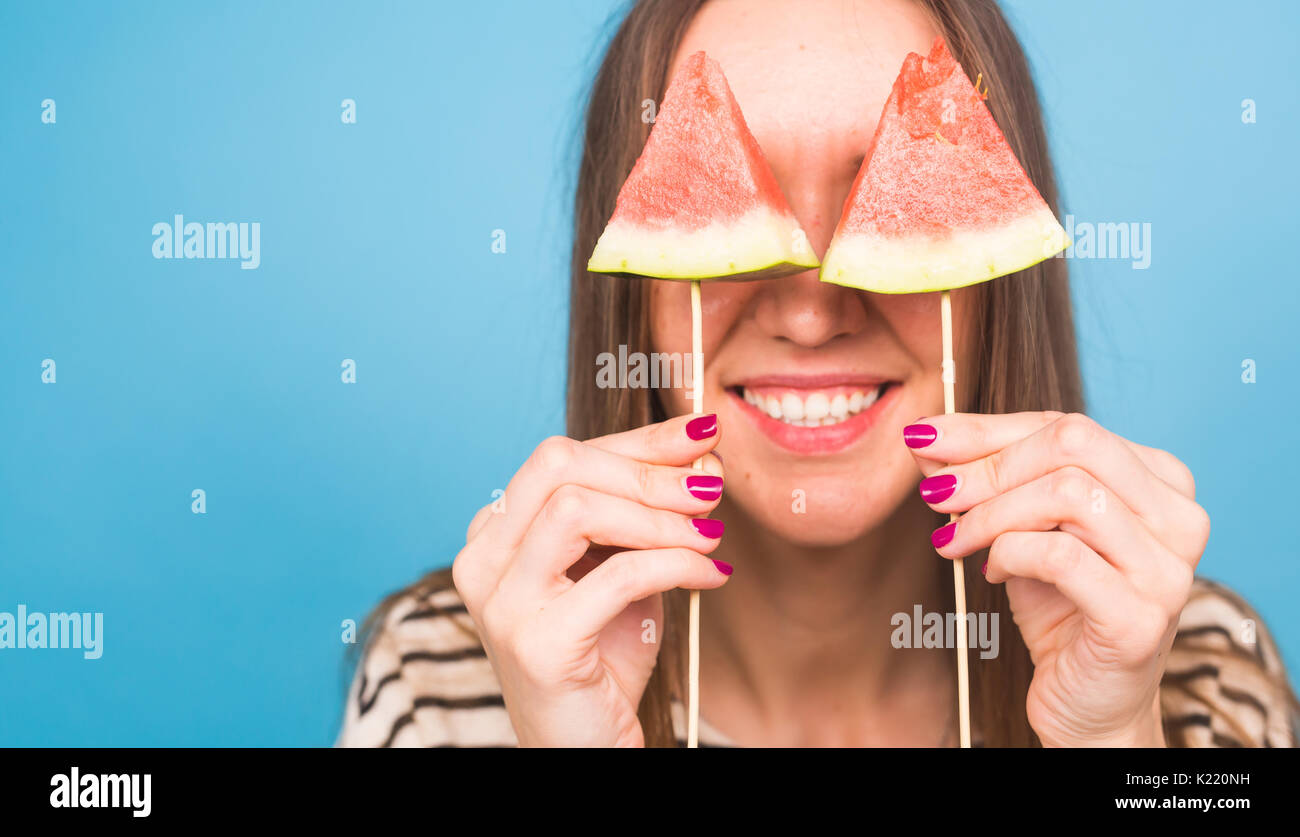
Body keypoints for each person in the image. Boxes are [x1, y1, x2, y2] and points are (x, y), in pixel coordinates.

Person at [338, 0, 1296, 747]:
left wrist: (1116, 737)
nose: (808, 309)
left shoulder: (1203, 678)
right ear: (631, 284)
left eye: (889, 188)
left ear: (1000, 278)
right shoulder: (440, 683)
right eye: (730, 187)